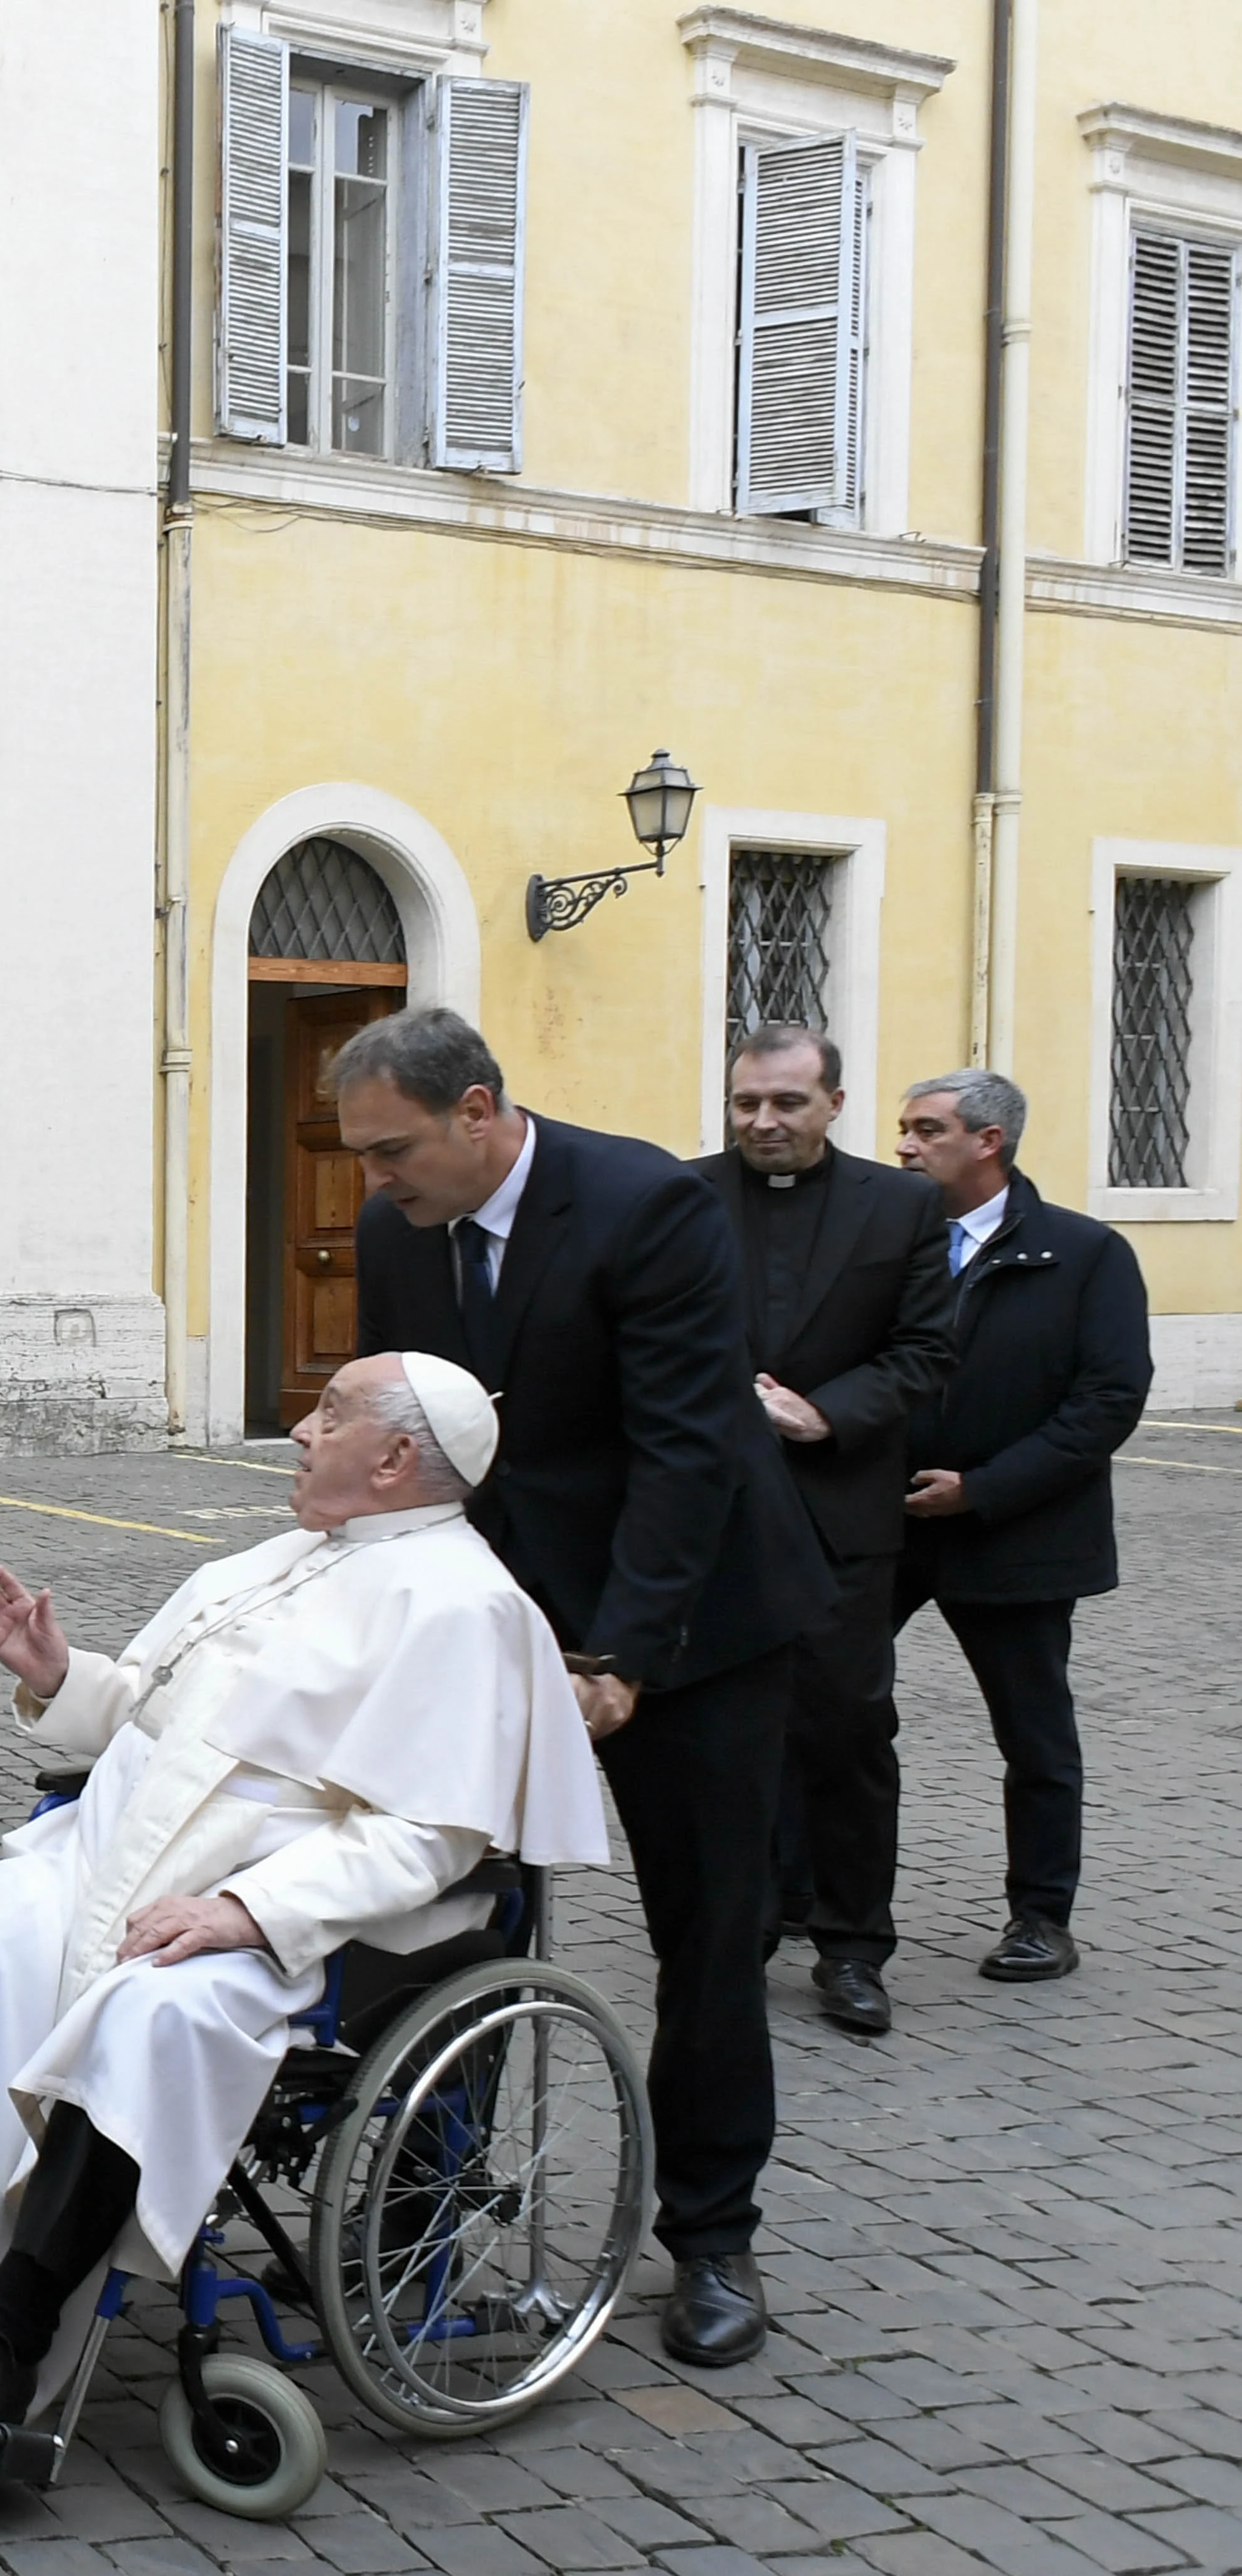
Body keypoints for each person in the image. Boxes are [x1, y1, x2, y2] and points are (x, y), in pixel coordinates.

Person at [0, 1353, 602, 2454]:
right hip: (123, 1856)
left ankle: (5, 2331)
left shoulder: (464, 1603)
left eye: (327, 1414)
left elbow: (424, 1835)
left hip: (313, 1919)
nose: (299, 1431)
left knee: (153, 2011)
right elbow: (149, 1718)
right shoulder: (278, 1560)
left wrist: (249, 1910)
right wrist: (56, 1674)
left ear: (394, 1460)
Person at [336, 1008, 833, 2368]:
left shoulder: (645, 1205)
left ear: (479, 1110)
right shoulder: (396, 1232)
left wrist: (620, 1658)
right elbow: (415, 1443)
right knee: (447, 1916)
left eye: (394, 1150)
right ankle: (422, 2219)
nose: (374, 1182)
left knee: (709, 1933)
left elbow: (688, 1450)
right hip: (509, 1618)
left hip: (698, 1619)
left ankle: (714, 2236)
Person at [691, 1028, 954, 2038]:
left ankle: (851, 1948)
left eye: (786, 1104)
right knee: (720, 1741)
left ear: (834, 1105)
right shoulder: (683, 1196)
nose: (763, 1122)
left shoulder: (901, 1206)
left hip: (842, 1513)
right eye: (746, 1103)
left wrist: (825, 1413)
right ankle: (734, 1933)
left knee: (845, 1737)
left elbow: (926, 1349)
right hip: (714, 1517)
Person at [893, 1068, 1152, 1985]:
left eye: (925, 1130)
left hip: (1014, 1531)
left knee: (1033, 1737)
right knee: (828, 1708)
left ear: (986, 1142)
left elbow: (1108, 1400)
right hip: (884, 1524)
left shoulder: (1081, 1253)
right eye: (903, 1129)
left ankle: (1040, 1916)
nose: (904, 1146)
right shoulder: (886, 1240)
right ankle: (813, 1893)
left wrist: (987, 1489)